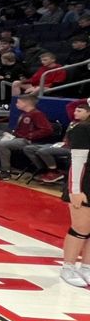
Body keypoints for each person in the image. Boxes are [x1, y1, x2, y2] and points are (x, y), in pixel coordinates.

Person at [0, 93, 53, 179]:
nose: (16, 104)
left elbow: (47, 130)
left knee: (3, 144)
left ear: (25, 103)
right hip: (16, 138)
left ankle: (5, 170)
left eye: (18, 102)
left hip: (27, 140)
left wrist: (29, 136)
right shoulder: (24, 114)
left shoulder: (37, 114)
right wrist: (11, 134)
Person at [61, 100, 90, 287]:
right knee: (81, 228)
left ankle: (86, 267)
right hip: (84, 183)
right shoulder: (83, 129)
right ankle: (68, 267)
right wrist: (75, 190)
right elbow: (77, 162)